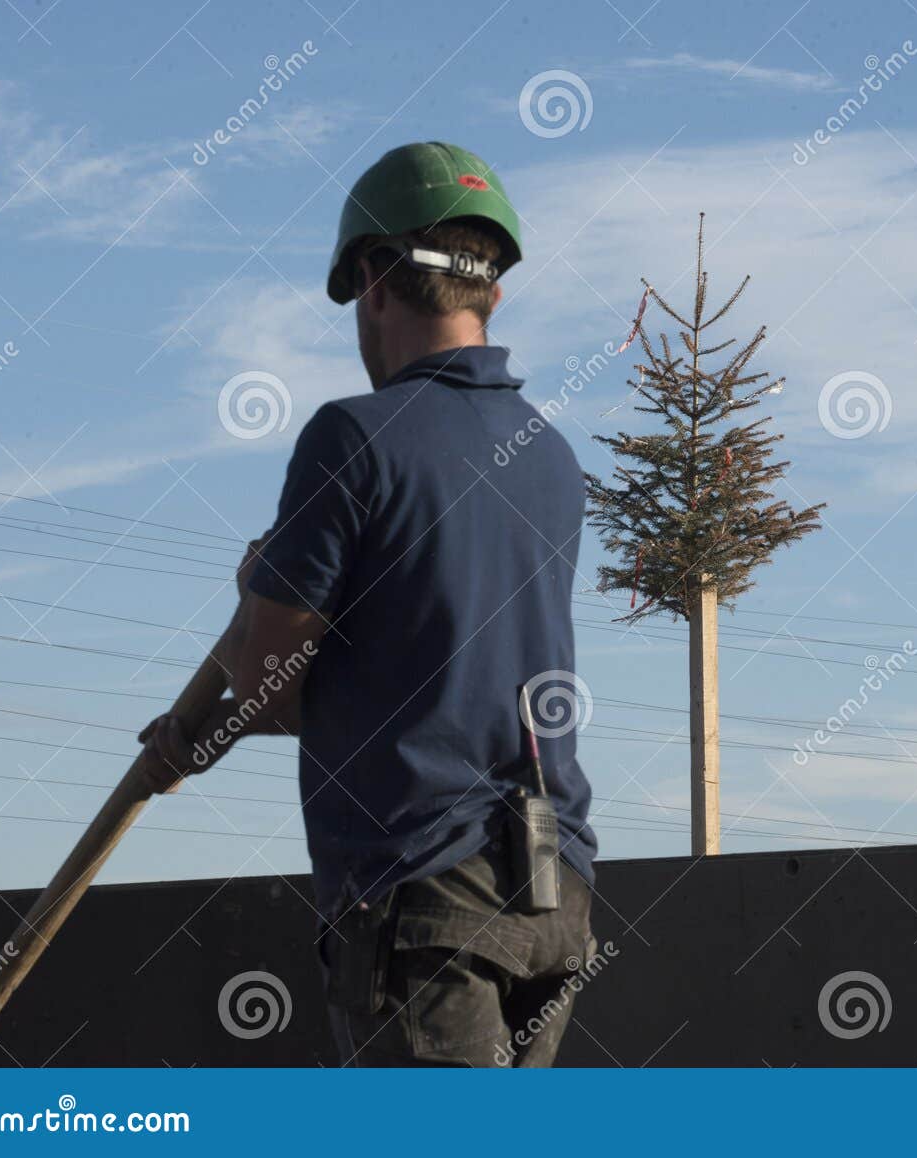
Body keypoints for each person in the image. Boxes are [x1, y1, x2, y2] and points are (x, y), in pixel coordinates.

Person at [139, 142, 598, 1067]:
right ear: (491, 291)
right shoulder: (550, 455)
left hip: (421, 898)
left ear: (372, 278)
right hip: (555, 893)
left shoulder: (352, 436)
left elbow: (274, 690)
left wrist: (251, 612)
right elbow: (432, 686)